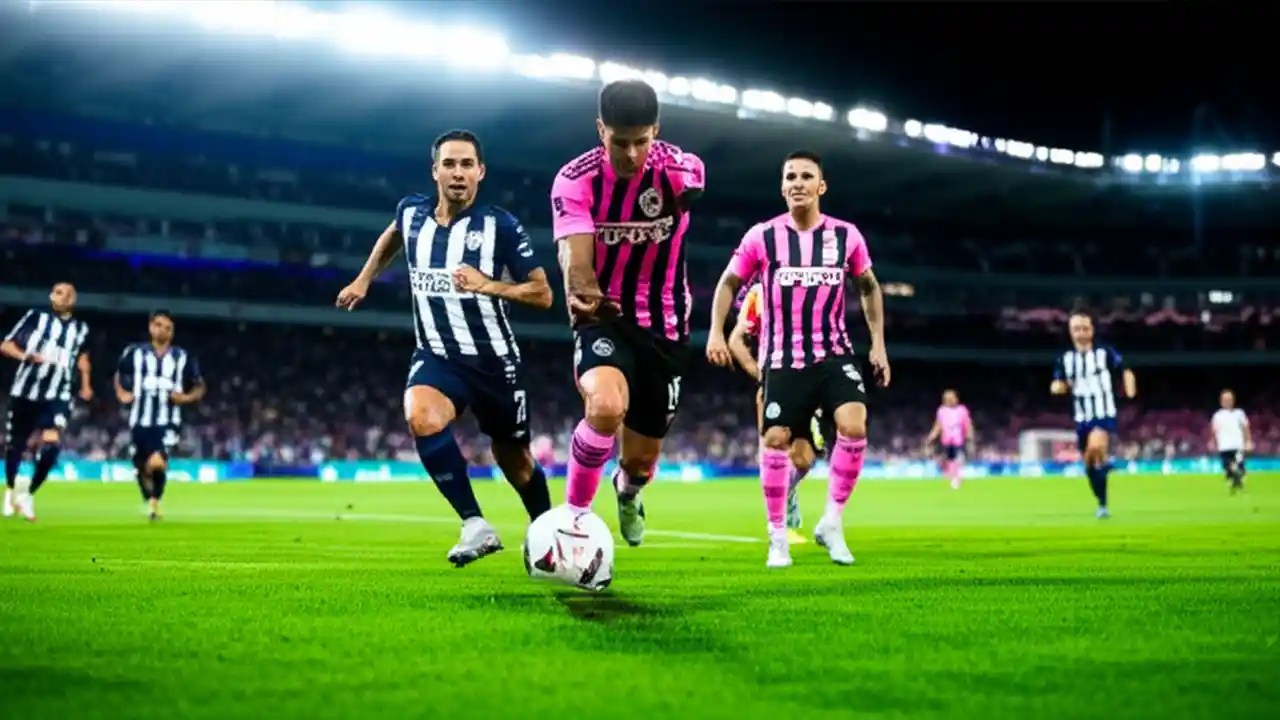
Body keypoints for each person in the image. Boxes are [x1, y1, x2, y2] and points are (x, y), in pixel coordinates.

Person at [337, 129, 554, 566]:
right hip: (437, 354)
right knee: (420, 415)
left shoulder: (500, 226)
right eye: (450, 164)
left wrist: (487, 285)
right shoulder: (411, 212)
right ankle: (475, 524)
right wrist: (364, 279)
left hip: (494, 363)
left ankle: (549, 534)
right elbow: (393, 235)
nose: (458, 173)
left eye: (467, 165)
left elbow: (543, 294)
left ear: (481, 172)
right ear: (434, 171)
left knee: (515, 461)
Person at [707, 150, 889, 568]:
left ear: (821, 186)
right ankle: (777, 538)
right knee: (777, 442)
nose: (798, 183)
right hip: (783, 359)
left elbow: (868, 286)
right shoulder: (762, 236)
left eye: (807, 176)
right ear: (782, 186)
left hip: (834, 352)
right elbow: (728, 282)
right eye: (790, 176)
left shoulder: (846, 236)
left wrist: (877, 343)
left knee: (854, 425)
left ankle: (832, 522)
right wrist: (716, 331)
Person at [551, 79, 705, 547]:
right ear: (601, 129)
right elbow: (574, 255)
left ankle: (627, 491)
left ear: (656, 130)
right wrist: (583, 291)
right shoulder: (575, 180)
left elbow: (695, 179)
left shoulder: (682, 172)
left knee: (641, 461)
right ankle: (574, 521)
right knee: (605, 406)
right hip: (605, 314)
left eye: (642, 141)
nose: (633, 154)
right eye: (620, 142)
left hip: (665, 324)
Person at [727, 281, 833, 544]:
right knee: (774, 451)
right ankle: (778, 528)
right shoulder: (758, 293)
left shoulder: (810, 284)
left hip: (809, 382)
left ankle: (788, 493)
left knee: (804, 460)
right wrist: (760, 375)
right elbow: (737, 340)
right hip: (775, 384)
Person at [0, 282, 92, 521]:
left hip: (57, 394)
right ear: (51, 297)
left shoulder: (80, 329)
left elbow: (82, 358)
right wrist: (25, 356)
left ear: (73, 299)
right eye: (58, 292)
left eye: (67, 293)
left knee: (52, 443)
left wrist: (86, 384)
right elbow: (6, 344)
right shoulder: (35, 317)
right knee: (15, 445)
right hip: (25, 391)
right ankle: (10, 489)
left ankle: (28, 494)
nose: (62, 297)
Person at [115, 311, 205, 520]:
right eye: (158, 324)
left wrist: (185, 398)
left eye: (167, 327)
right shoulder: (134, 352)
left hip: (168, 421)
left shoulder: (182, 357)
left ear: (172, 332)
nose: (162, 330)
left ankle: (154, 504)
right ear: (150, 327)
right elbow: (118, 373)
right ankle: (150, 497)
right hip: (139, 421)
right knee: (142, 467)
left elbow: (200, 386)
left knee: (157, 463)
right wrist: (121, 393)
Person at [1050, 312, 1136, 518]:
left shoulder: (1105, 352)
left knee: (1095, 447)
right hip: (1081, 417)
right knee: (1090, 464)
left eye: (1085, 328)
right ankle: (1102, 501)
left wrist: (1130, 387)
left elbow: (1125, 370)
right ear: (1070, 332)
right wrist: (1057, 387)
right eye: (1076, 329)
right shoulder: (1065, 359)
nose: (1081, 333)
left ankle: (1104, 463)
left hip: (1104, 412)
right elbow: (1057, 382)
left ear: (1092, 330)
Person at [924, 389, 974, 490]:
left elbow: (967, 424)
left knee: (958, 459)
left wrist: (969, 436)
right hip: (946, 440)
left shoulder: (962, 410)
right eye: (946, 399)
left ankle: (957, 478)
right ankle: (952, 477)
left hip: (958, 440)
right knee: (947, 460)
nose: (949, 401)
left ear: (956, 399)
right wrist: (931, 436)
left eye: (951, 398)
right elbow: (938, 425)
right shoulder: (942, 411)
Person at [1209, 388, 1251, 494]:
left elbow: (1245, 428)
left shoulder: (1239, 413)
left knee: (1240, 467)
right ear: (1221, 401)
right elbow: (1213, 430)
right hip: (1224, 447)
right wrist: (1212, 441)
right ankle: (1235, 484)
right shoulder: (1217, 415)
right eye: (1225, 400)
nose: (1227, 402)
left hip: (1238, 446)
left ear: (1233, 400)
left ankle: (1236, 484)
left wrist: (1248, 441)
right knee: (1227, 468)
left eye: (1229, 399)